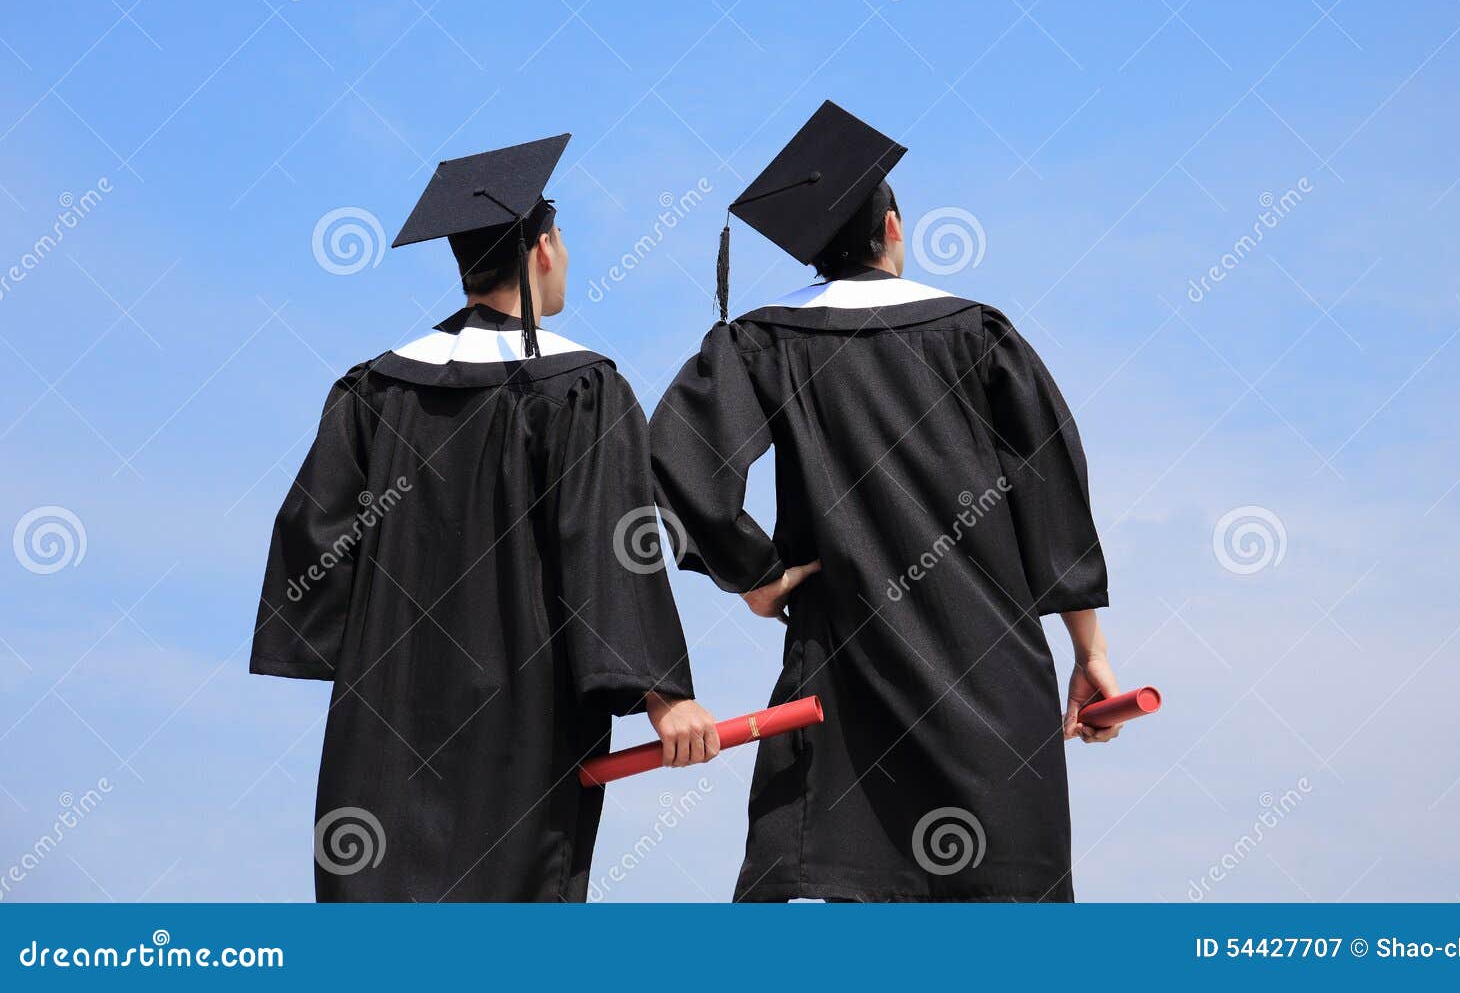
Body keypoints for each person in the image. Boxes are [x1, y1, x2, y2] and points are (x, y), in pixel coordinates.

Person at [649, 101, 1122, 902]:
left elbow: (675, 459)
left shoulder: (765, 341)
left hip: (844, 705)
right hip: (993, 697)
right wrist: (1091, 653)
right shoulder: (978, 334)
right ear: (893, 230)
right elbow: (1054, 498)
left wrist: (754, 572)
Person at [250, 134, 719, 901]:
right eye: (561, 239)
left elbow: (313, 540)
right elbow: (608, 547)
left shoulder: (374, 391)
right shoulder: (583, 389)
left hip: (380, 741)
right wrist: (662, 692)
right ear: (542, 250)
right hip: (521, 747)